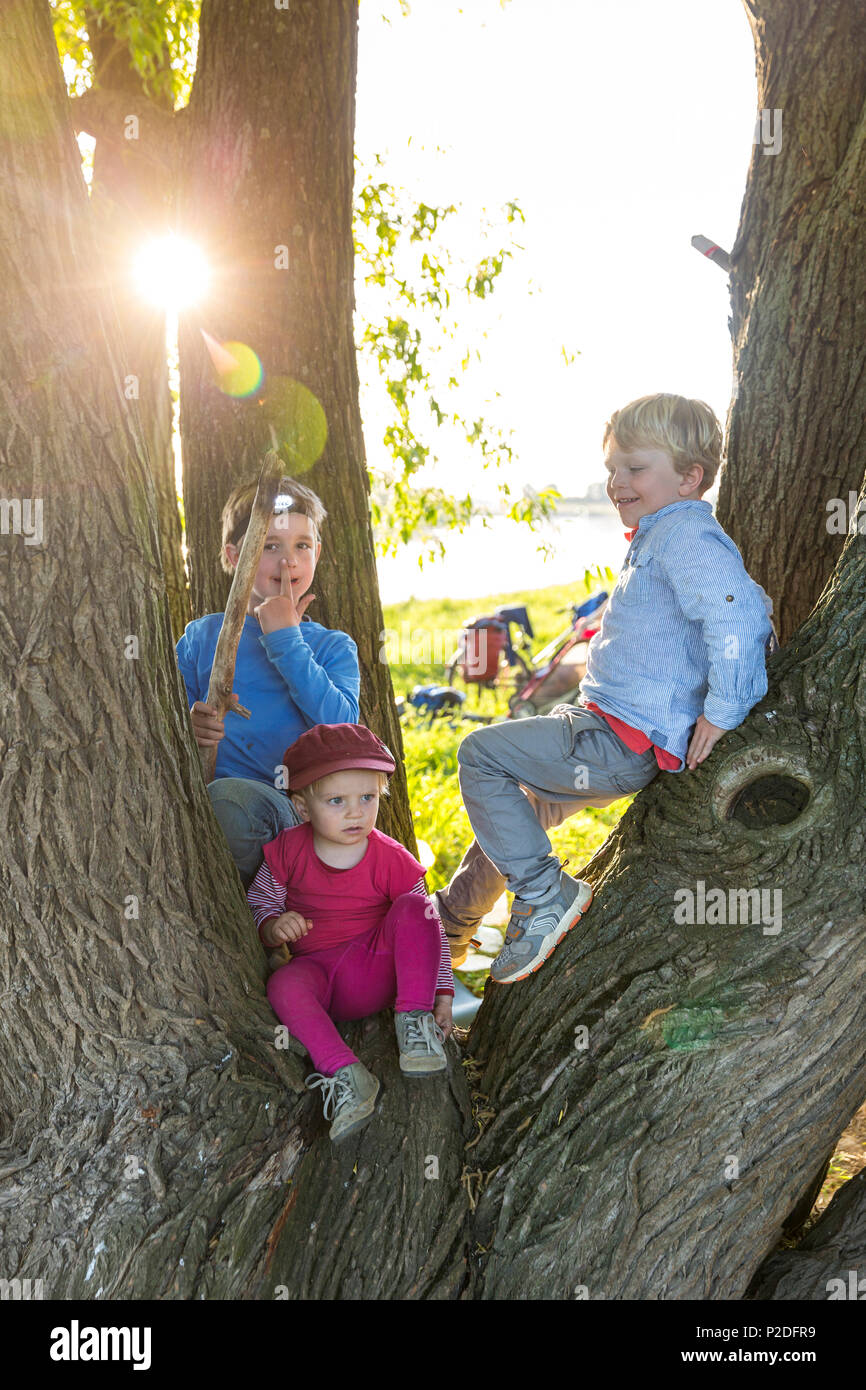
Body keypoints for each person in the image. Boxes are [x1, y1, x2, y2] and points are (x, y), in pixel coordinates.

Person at [435, 393, 774, 984]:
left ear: (690, 477)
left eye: (635, 468)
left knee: (479, 755)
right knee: (519, 809)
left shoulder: (685, 538)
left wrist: (724, 709)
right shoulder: (661, 533)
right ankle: (450, 925)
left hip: (618, 737)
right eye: (612, 469)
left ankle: (544, 897)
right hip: (615, 735)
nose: (616, 482)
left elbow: (741, 615)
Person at [247, 723, 455, 1142]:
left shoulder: (391, 859)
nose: (355, 812)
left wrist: (443, 993)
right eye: (336, 801)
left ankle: (413, 1027)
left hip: (381, 969)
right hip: (322, 979)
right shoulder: (288, 851)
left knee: (419, 909)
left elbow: (430, 933)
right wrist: (273, 927)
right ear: (304, 807)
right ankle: (346, 1075)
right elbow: (260, 903)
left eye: (367, 798)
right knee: (283, 984)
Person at [176, 476, 360, 885]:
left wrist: (286, 638)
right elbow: (161, 722)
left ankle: (284, 906)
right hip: (219, 807)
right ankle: (261, 913)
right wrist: (188, 727)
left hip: (300, 815)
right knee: (227, 805)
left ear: (317, 553)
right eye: (269, 545)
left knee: (233, 807)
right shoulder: (203, 638)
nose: (287, 561)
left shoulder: (331, 647)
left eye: (302, 545)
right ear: (232, 554)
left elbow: (344, 730)